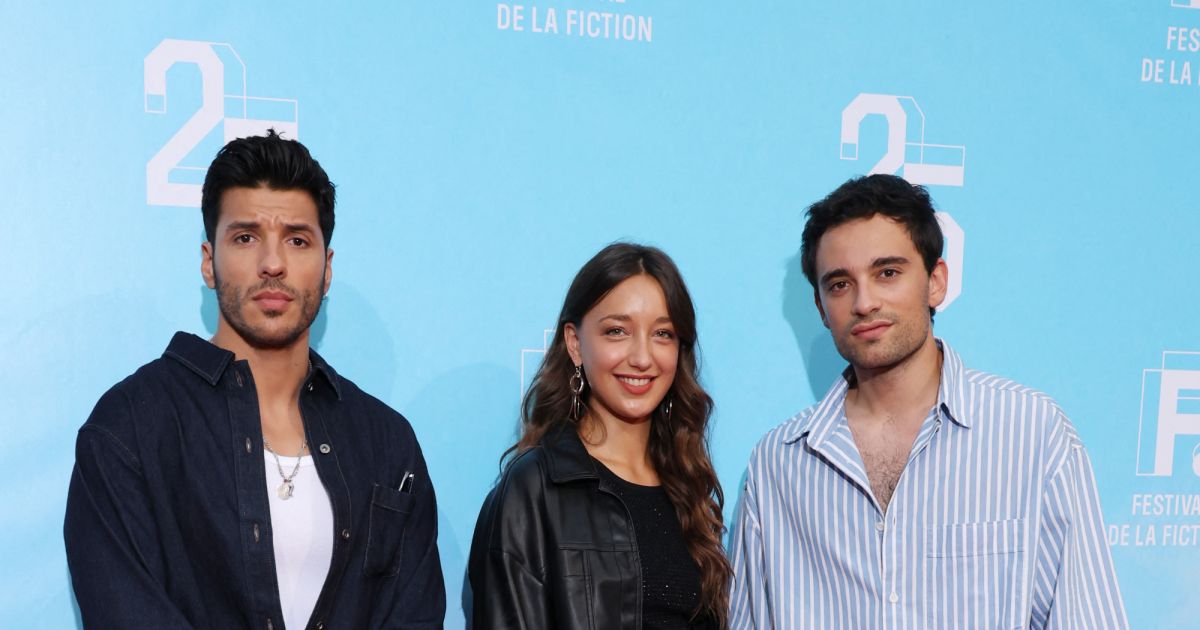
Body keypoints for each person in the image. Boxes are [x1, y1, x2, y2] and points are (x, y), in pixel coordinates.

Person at [64, 130, 445, 629]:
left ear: (327, 268)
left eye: (297, 240)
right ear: (209, 262)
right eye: (245, 237)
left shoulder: (386, 441)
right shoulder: (130, 427)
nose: (273, 264)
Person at [729, 174, 1128, 629]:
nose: (864, 302)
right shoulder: (778, 464)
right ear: (820, 308)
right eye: (839, 284)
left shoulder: (1032, 434)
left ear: (936, 282)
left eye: (887, 273)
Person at [468, 243, 731, 629]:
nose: (642, 358)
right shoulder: (534, 490)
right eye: (617, 331)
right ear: (575, 344)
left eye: (662, 333)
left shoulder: (687, 490)